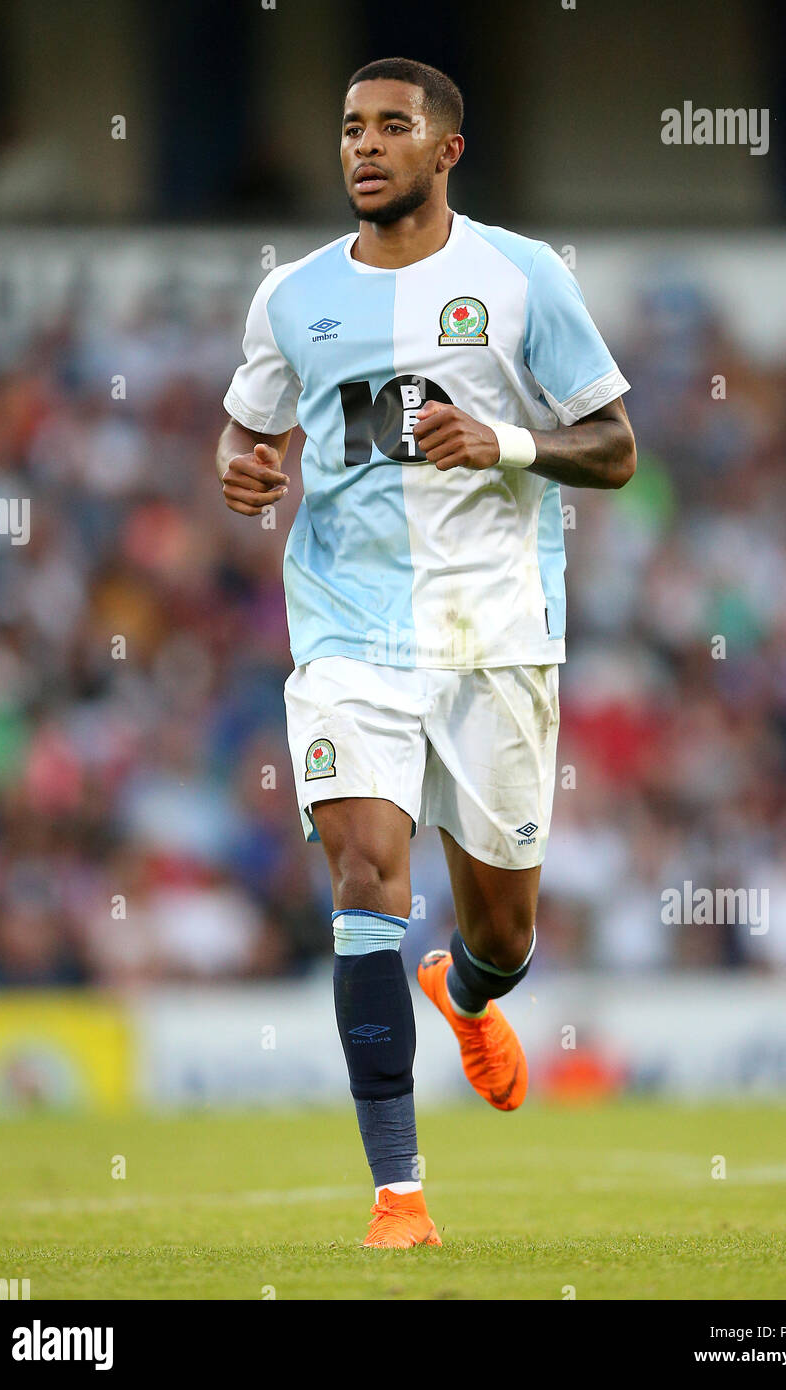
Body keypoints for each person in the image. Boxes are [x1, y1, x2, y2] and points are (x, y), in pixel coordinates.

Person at [217, 56, 636, 1248]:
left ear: (444, 149)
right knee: (364, 881)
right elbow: (244, 435)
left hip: (494, 633)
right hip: (349, 630)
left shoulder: (518, 277)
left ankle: (466, 990)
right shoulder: (292, 295)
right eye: (349, 127)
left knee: (500, 932)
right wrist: (240, 472)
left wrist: (501, 438)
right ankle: (397, 1192)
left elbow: (613, 450)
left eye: (390, 127)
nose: (363, 146)